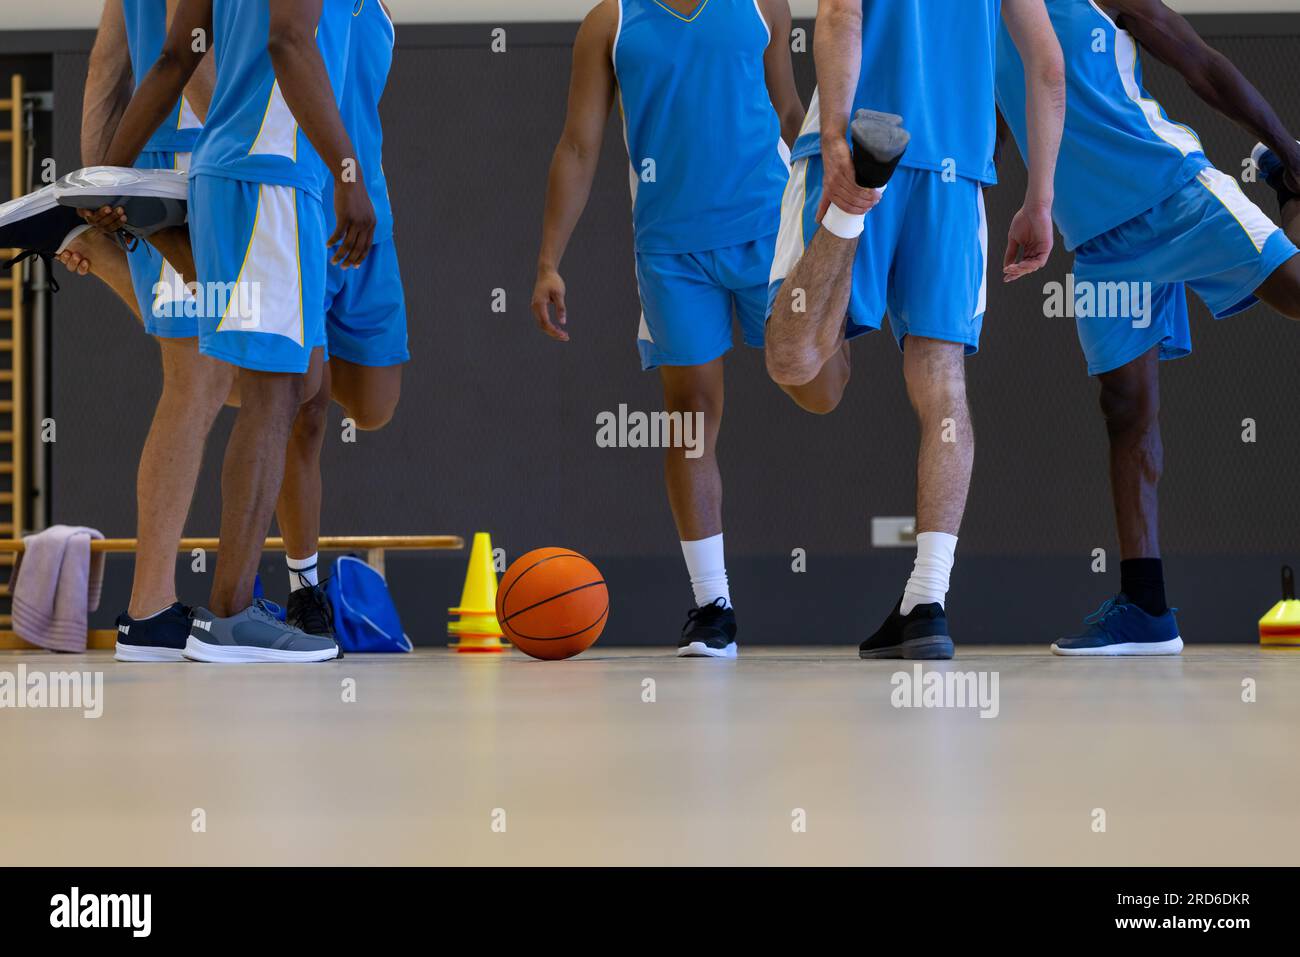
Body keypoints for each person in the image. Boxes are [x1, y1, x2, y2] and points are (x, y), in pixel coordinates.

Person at [994, 0, 1300, 656]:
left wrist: (1288, 146)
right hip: (1100, 244)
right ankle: (1145, 607)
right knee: (1125, 409)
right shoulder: (982, 16)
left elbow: (1202, 67)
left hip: (1174, 191)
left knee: (1297, 294)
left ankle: (1292, 186)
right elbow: (993, 121)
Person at [764, 0, 1065, 659]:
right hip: (955, 168)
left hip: (864, 131)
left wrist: (837, 138)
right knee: (943, 381)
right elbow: (1046, 65)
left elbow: (839, 12)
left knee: (792, 359)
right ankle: (927, 601)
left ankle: (852, 204)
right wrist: (1040, 199)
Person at [83, 0, 376, 662]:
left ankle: (221, 610)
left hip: (220, 173)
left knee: (280, 384)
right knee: (269, 392)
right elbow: (289, 40)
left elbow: (173, 55)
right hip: (269, 174)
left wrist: (112, 173)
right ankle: (231, 614)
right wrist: (348, 172)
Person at [531, 0, 804, 658]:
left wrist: (829, 225)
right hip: (670, 249)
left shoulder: (763, 6)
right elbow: (577, 145)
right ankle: (713, 606)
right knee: (690, 416)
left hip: (769, 228)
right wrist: (548, 262)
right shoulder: (610, 23)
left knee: (814, 384)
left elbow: (792, 115)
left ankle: (827, 336)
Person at [275, 0, 409, 637]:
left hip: (367, 222)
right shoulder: (293, 12)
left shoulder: (381, 13)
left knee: (375, 407)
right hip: (301, 210)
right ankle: (304, 589)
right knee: (306, 409)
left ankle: (256, 376)